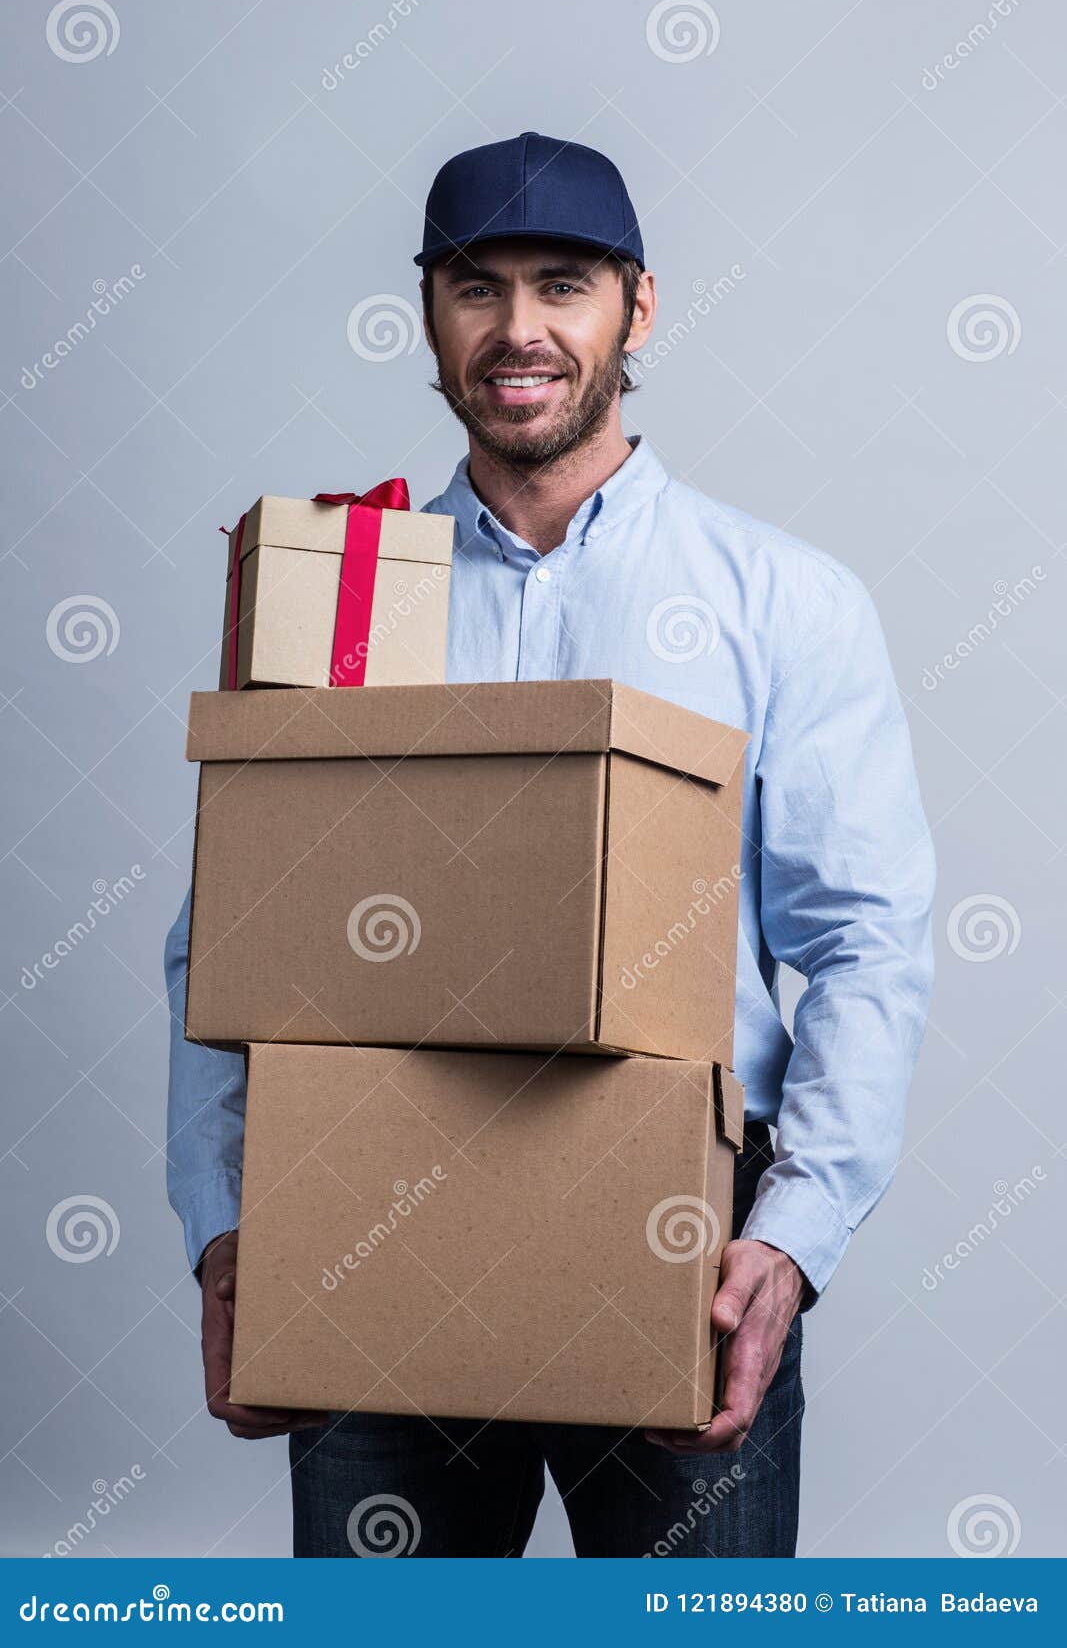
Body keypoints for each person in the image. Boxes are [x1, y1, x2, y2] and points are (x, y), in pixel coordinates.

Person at [164, 131, 936, 1558]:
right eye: (478, 287)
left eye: (561, 285)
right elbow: (231, 934)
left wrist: (790, 1245)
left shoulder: (780, 600)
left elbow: (864, 944)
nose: (519, 330)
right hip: (369, 1227)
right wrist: (227, 1225)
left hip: (678, 1246)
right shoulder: (344, 592)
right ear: (428, 316)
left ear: (637, 308)